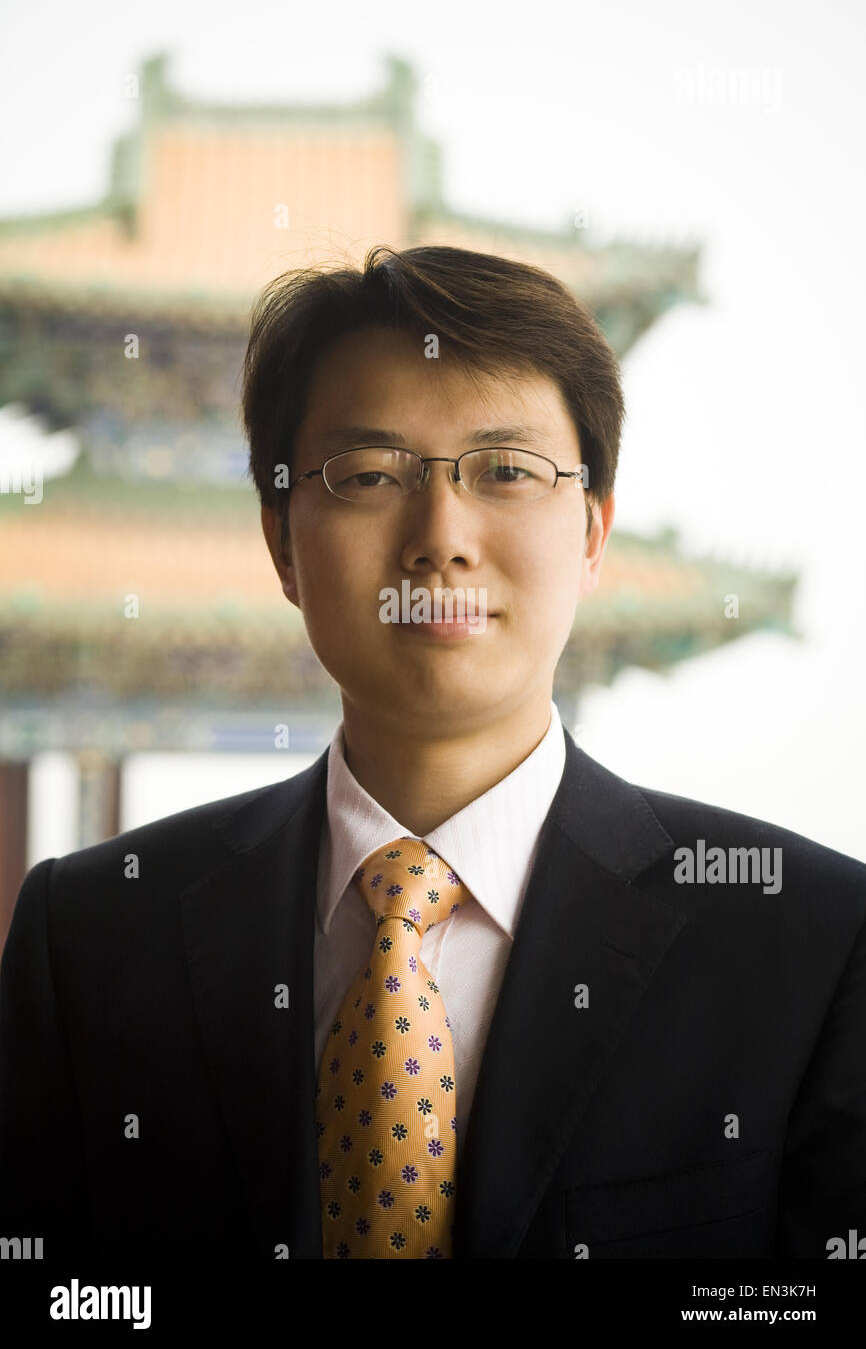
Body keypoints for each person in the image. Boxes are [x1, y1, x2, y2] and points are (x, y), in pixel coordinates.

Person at [1, 245, 864, 1265]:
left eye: (505, 470)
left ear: (592, 533)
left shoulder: (810, 941)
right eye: (369, 474)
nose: (440, 536)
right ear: (282, 542)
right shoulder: (90, 937)